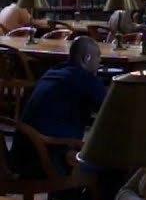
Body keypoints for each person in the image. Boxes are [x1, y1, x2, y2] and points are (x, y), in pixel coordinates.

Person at [12, 37, 106, 180]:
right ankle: (73, 199)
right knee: (111, 166)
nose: (100, 62)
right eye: (98, 57)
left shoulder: (53, 72)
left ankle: (64, 198)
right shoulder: (83, 79)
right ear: (87, 58)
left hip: (20, 156)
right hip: (46, 162)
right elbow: (111, 109)